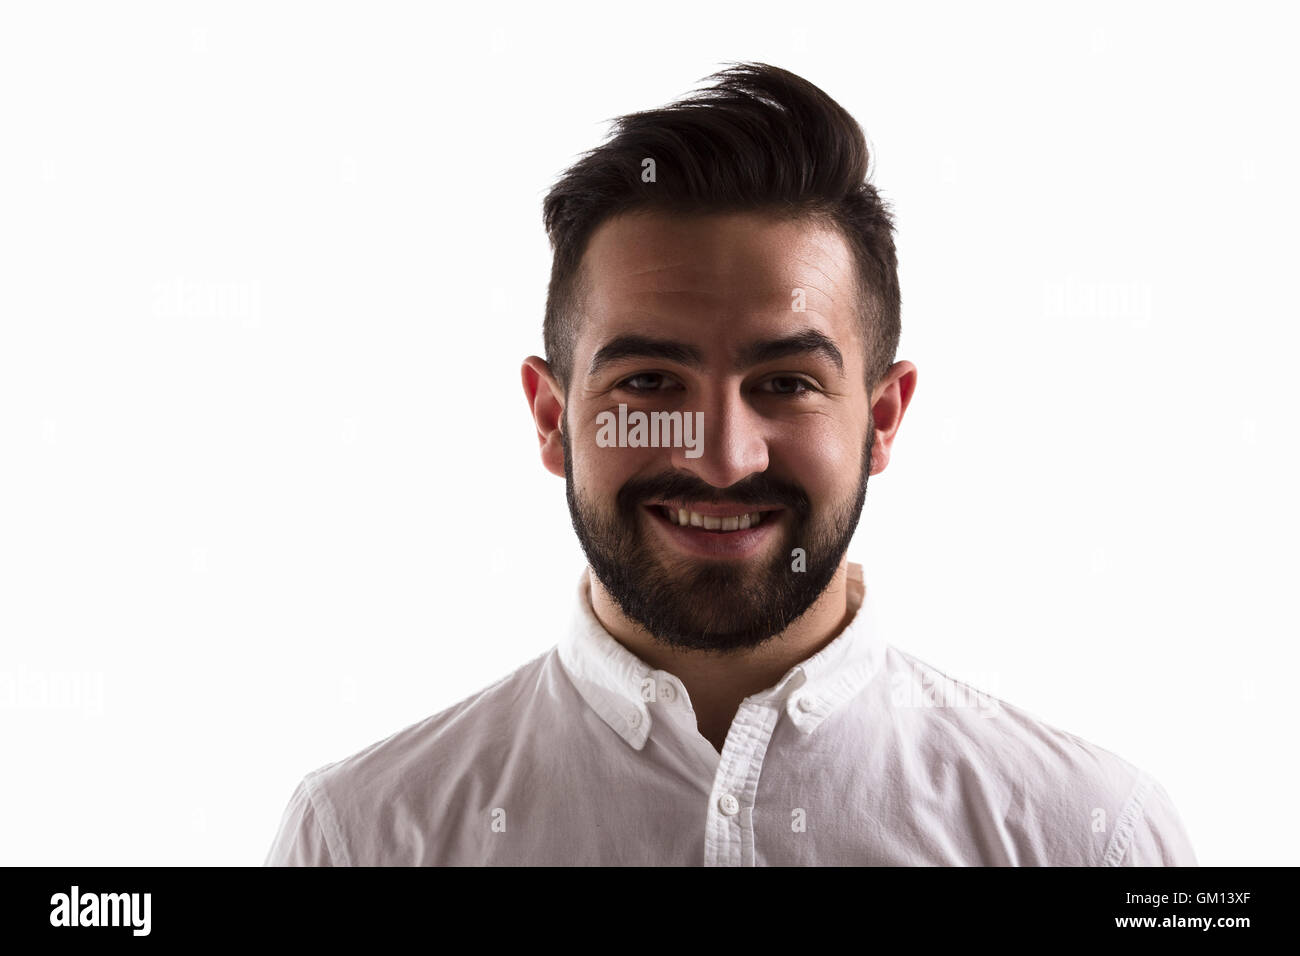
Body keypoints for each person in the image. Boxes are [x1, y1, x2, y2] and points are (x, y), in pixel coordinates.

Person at [264, 62, 1197, 866]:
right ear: (553, 419)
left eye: (786, 382)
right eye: (651, 381)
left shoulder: (1090, 838)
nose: (719, 457)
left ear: (881, 417)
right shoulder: (360, 839)